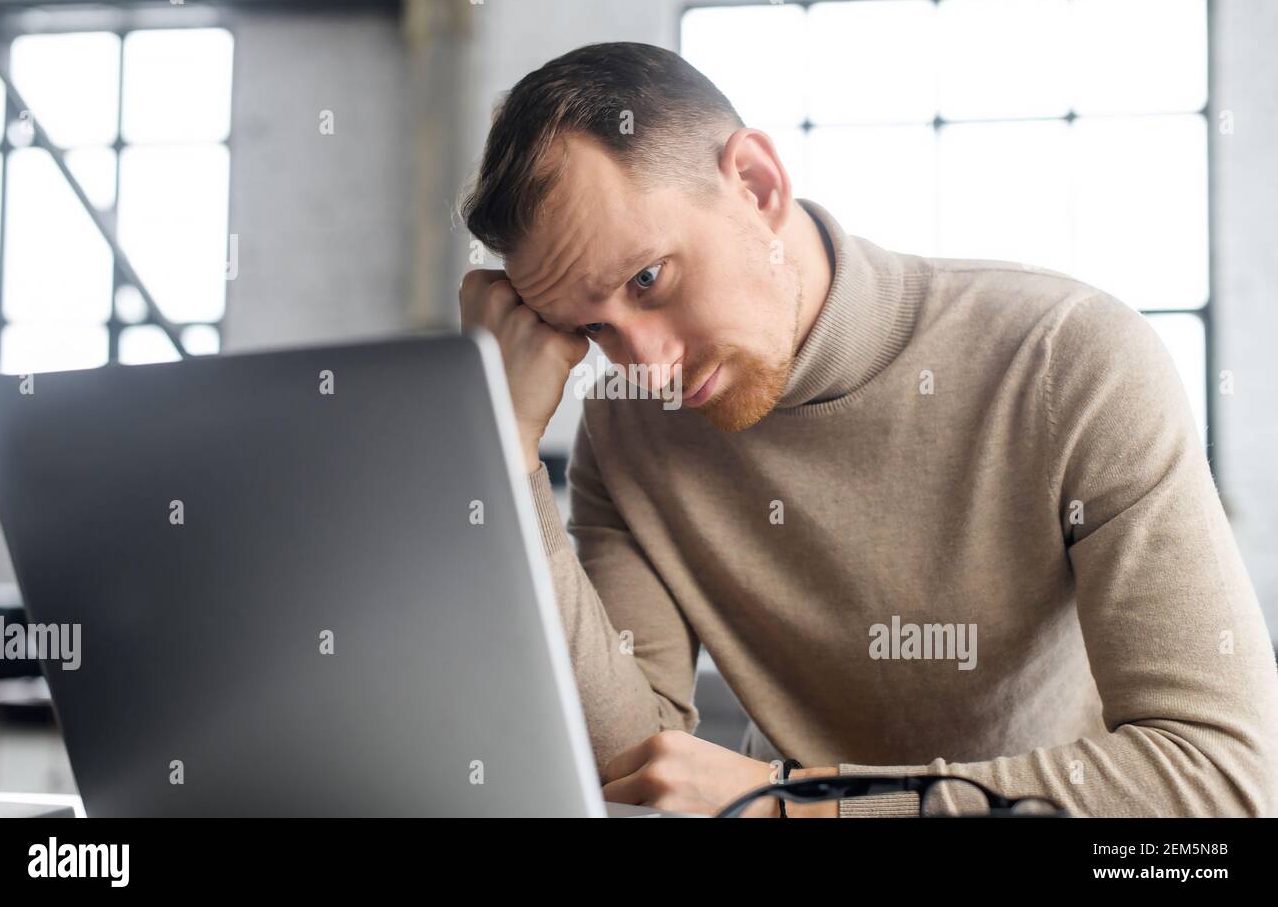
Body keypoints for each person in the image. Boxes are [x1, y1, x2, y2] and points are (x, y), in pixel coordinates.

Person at [457, 41, 1278, 817]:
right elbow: (633, 766)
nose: (650, 366)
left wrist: (793, 802)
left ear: (756, 183)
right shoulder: (628, 427)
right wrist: (506, 445)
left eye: (647, 279)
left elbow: (1224, 781)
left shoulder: (1073, 361)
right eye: (591, 330)